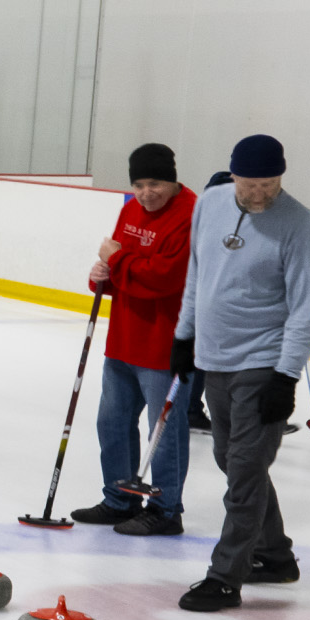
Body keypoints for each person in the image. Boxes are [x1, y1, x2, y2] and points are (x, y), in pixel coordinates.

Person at [174, 133, 310, 612]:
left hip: (263, 361)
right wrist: (184, 334)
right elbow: (199, 274)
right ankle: (275, 555)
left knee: (243, 473)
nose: (260, 194)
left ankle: (225, 576)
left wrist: (286, 376)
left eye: (270, 184)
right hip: (215, 359)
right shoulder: (212, 203)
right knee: (232, 460)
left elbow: (304, 308)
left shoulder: (301, 225)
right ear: (232, 174)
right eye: (250, 184)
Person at [66, 142, 194, 535]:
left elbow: (163, 279)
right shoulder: (130, 209)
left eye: (155, 183)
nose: (145, 193)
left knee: (164, 432)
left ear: (172, 181)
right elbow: (115, 263)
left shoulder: (190, 215)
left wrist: (119, 261)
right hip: (123, 338)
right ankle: (120, 499)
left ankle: (166, 509)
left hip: (164, 345)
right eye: (138, 184)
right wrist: (101, 273)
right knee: (113, 422)